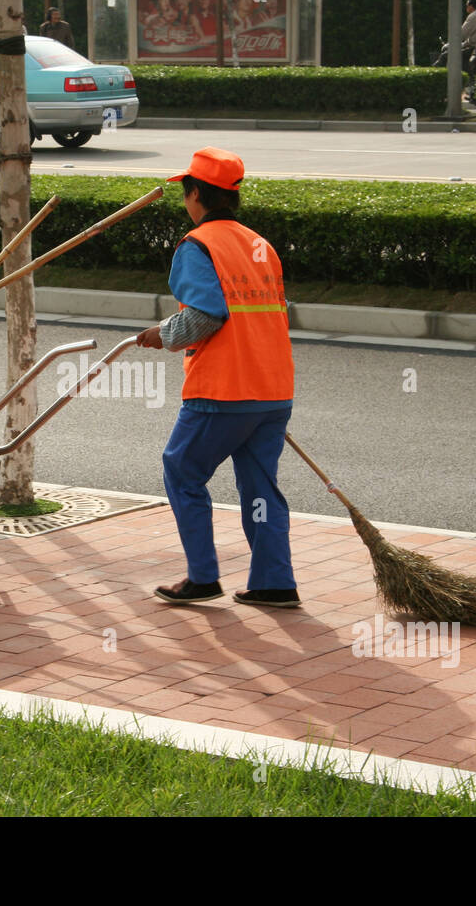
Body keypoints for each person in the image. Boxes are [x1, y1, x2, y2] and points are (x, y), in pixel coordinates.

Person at [136, 147, 299, 610]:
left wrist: (160, 334)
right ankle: (274, 582)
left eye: (185, 192)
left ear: (195, 195)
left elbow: (207, 315)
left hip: (223, 389)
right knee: (260, 485)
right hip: (272, 389)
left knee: (182, 470)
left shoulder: (197, 245)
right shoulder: (258, 245)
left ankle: (203, 577)